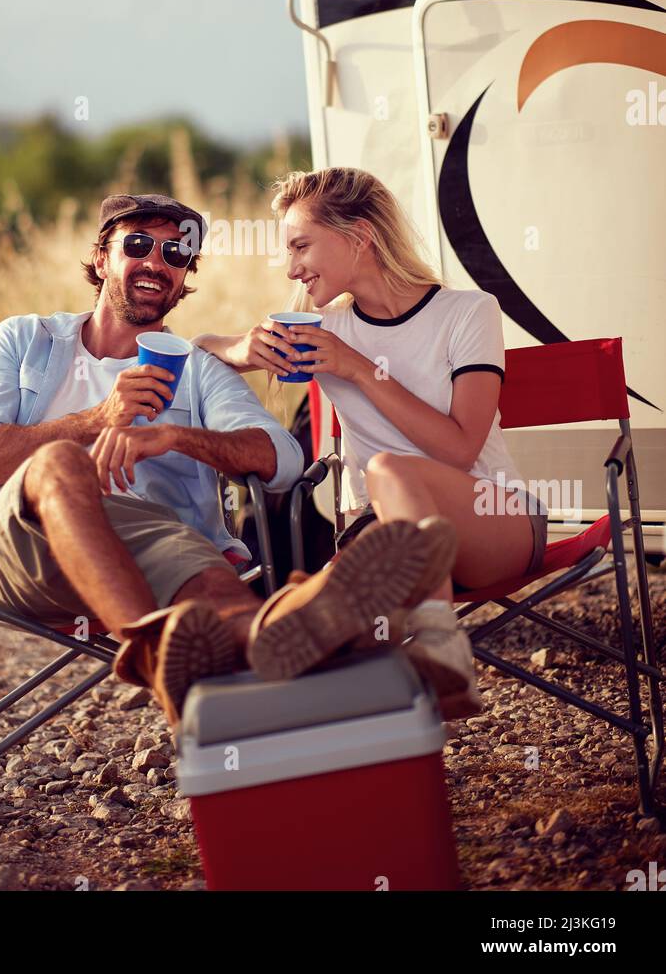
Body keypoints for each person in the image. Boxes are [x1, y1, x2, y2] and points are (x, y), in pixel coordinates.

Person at [0, 191, 456, 724]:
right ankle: (183, 645)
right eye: (139, 245)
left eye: (177, 254)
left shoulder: (195, 369)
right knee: (63, 463)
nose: (157, 262)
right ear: (102, 258)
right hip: (21, 550)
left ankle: (297, 662)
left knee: (218, 594)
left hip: (152, 546)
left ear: (184, 278)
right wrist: (97, 419)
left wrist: (177, 436)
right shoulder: (25, 340)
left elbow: (283, 459)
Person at [194, 167, 550, 720]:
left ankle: (438, 643)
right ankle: (269, 688)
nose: (291, 268)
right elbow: (198, 349)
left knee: (390, 472)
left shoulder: (467, 313)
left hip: (492, 519)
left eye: (301, 246)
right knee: (325, 602)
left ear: (359, 236)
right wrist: (242, 348)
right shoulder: (321, 328)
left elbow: (458, 448)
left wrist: (359, 370)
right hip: (387, 541)